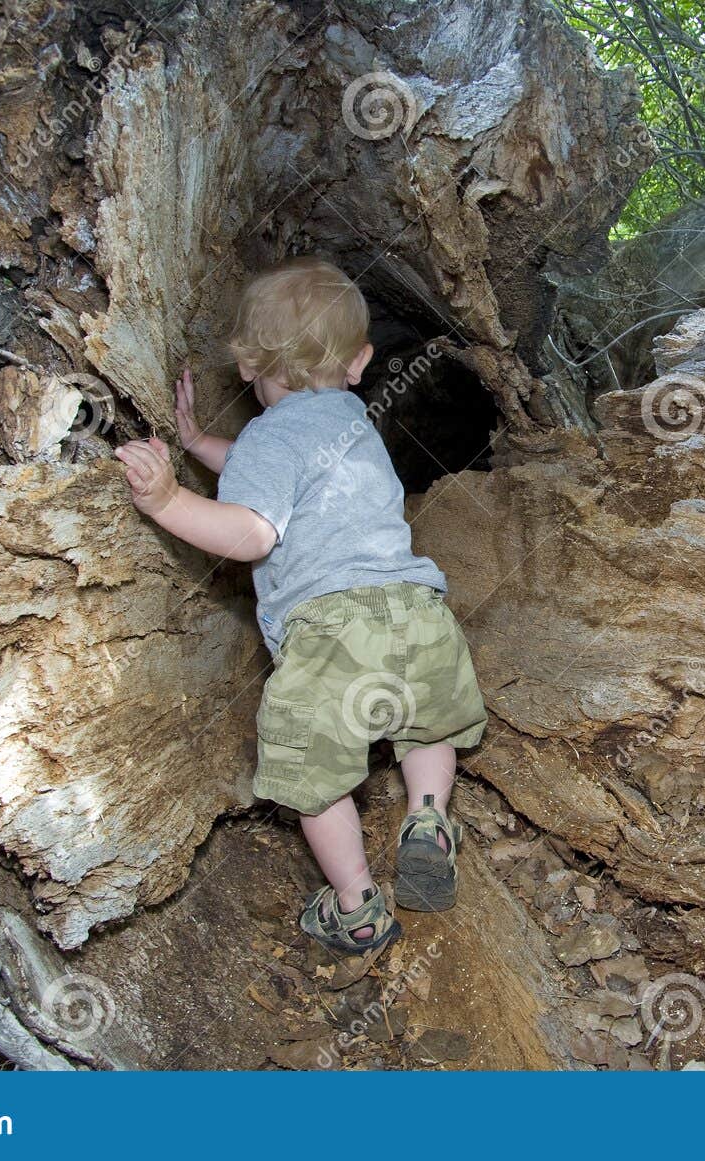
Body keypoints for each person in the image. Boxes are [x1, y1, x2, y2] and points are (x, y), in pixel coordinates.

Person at [114, 256, 486, 955]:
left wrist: (168, 497)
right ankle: (428, 817)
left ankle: (357, 907)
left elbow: (253, 528)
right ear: (360, 361)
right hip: (418, 612)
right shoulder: (355, 421)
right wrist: (198, 444)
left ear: (248, 363)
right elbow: (290, 469)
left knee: (313, 778)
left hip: (331, 636)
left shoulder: (268, 436)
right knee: (428, 721)